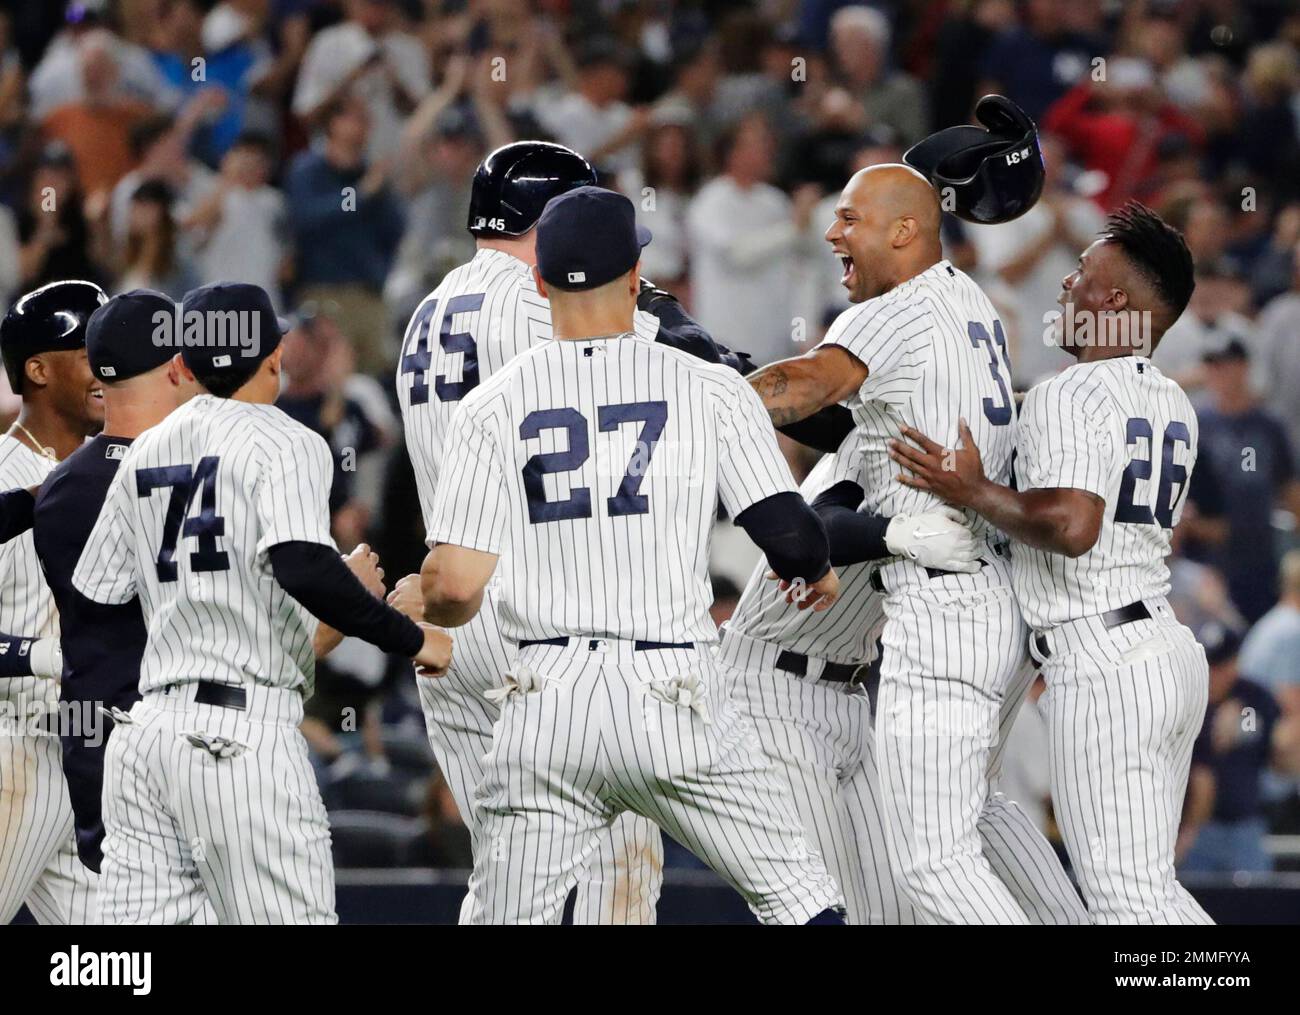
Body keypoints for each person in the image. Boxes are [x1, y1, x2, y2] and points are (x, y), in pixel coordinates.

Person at [420, 186, 844, 925]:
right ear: (636, 276)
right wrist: (815, 569)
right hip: (673, 690)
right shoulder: (707, 384)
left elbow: (456, 586)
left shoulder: (492, 403)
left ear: (541, 280)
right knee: (801, 899)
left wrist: (426, 601)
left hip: (545, 699)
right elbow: (789, 534)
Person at [72, 282, 450, 924]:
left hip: (148, 740)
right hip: (240, 738)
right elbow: (298, 563)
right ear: (273, 355)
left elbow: (96, 592)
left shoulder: (146, 451)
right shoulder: (286, 440)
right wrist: (410, 637)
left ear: (183, 365)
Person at [889, 202, 1213, 924]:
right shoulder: (1171, 400)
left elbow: (1072, 526)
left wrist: (969, 489)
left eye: (1080, 274)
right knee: (1149, 889)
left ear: (1116, 303)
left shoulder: (1074, 390)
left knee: (1127, 897)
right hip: (1159, 646)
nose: (1065, 286)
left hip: (1103, 660)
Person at [745, 163, 1041, 924]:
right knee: (954, 843)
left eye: (849, 218)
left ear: (906, 232)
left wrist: (703, 396)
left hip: (937, 614)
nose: (831, 232)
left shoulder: (894, 314)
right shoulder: (965, 304)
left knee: (936, 867)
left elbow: (801, 387)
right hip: (981, 603)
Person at [32, 288, 383, 886]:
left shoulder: (75, 481)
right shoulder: (141, 481)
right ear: (176, 366)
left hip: (120, 758)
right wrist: (341, 611)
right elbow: (205, 658)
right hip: (173, 756)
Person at [715, 428, 1087, 924]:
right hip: (769, 683)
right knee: (812, 902)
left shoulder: (971, 476)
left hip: (847, 694)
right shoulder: (875, 444)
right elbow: (816, 529)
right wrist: (896, 534)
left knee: (895, 911)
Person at [0, 279, 107, 924]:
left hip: (87, 753)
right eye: (88, 347)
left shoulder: (115, 473)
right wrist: (37, 656)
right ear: (38, 369)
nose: (107, 364)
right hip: (8, 741)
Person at [1182, 622, 1300, 874]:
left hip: (1245, 825)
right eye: (1208, 665)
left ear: (1234, 663)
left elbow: (1277, 754)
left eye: (1220, 666)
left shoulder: (1253, 698)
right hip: (1196, 828)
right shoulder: (1187, 698)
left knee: (1256, 904)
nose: (1212, 674)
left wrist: (1248, 727)